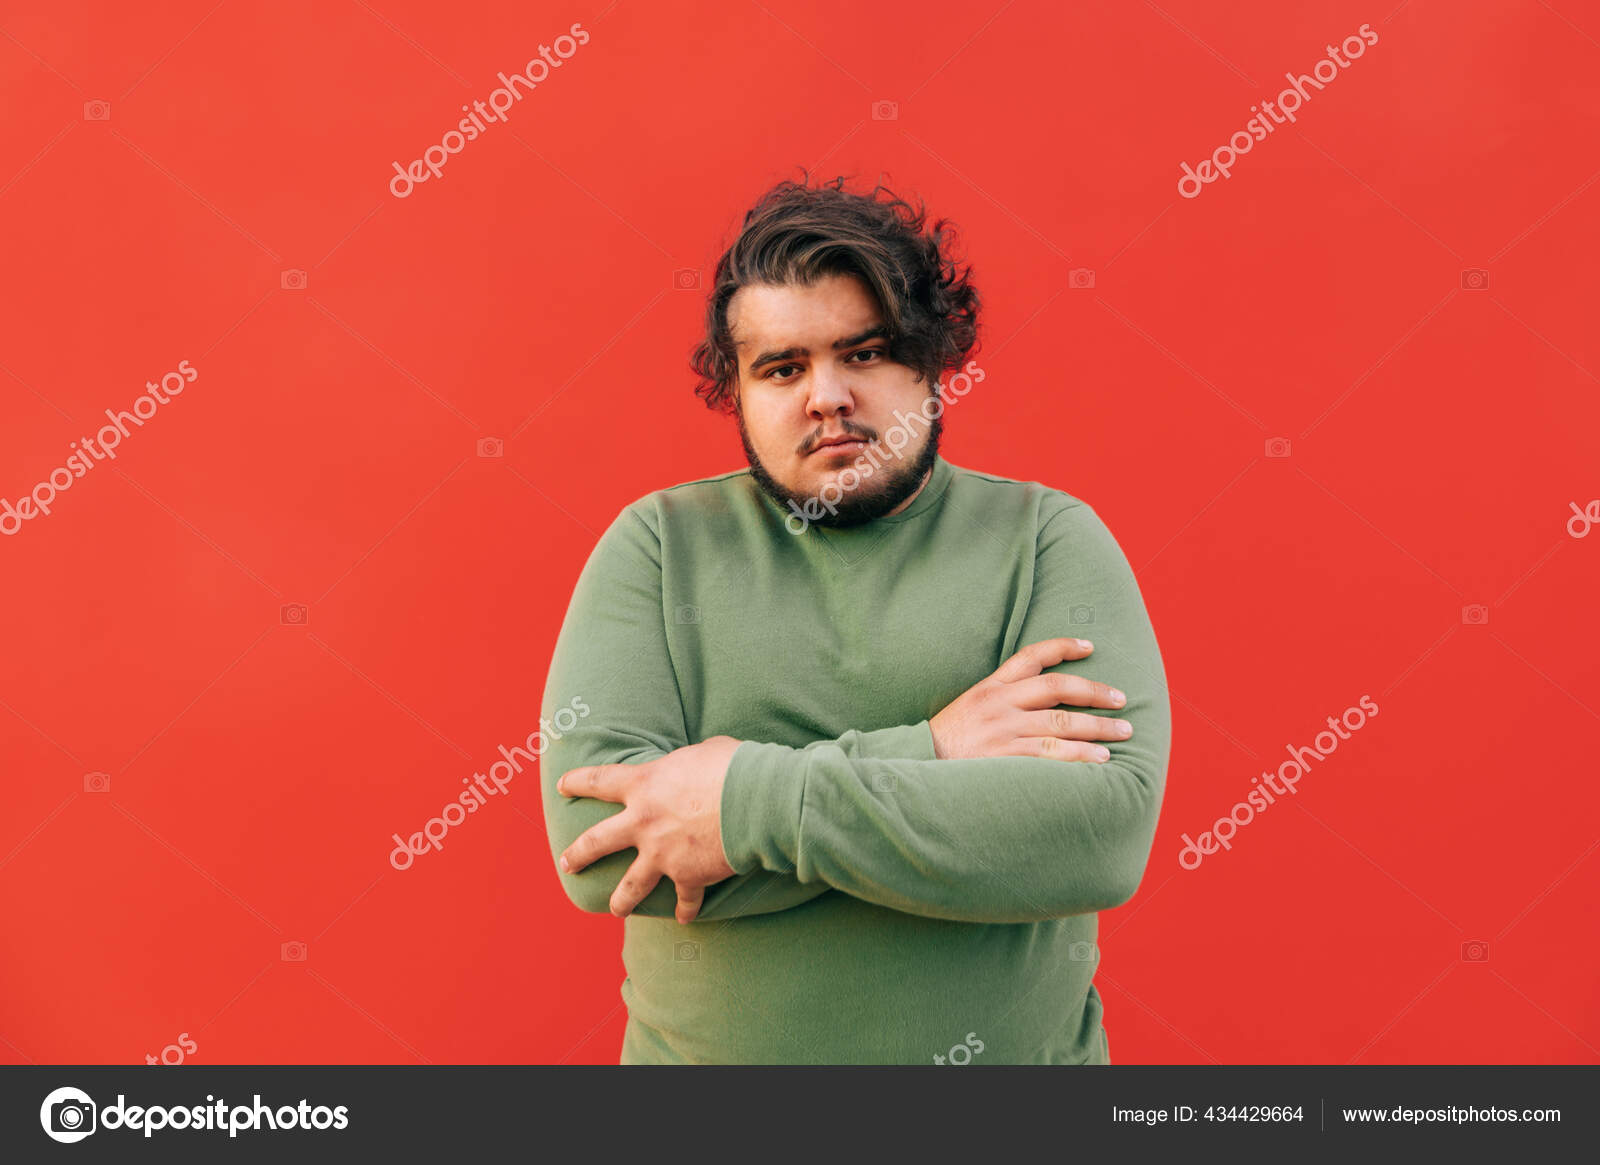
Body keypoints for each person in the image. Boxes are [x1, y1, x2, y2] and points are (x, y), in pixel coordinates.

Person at [539, 174, 1171, 1064]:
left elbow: (1094, 836)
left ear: (931, 362)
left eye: (865, 353)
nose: (826, 395)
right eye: (783, 367)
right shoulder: (656, 547)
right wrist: (937, 752)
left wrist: (734, 805)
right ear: (739, 394)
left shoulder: (1045, 539)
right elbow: (601, 856)